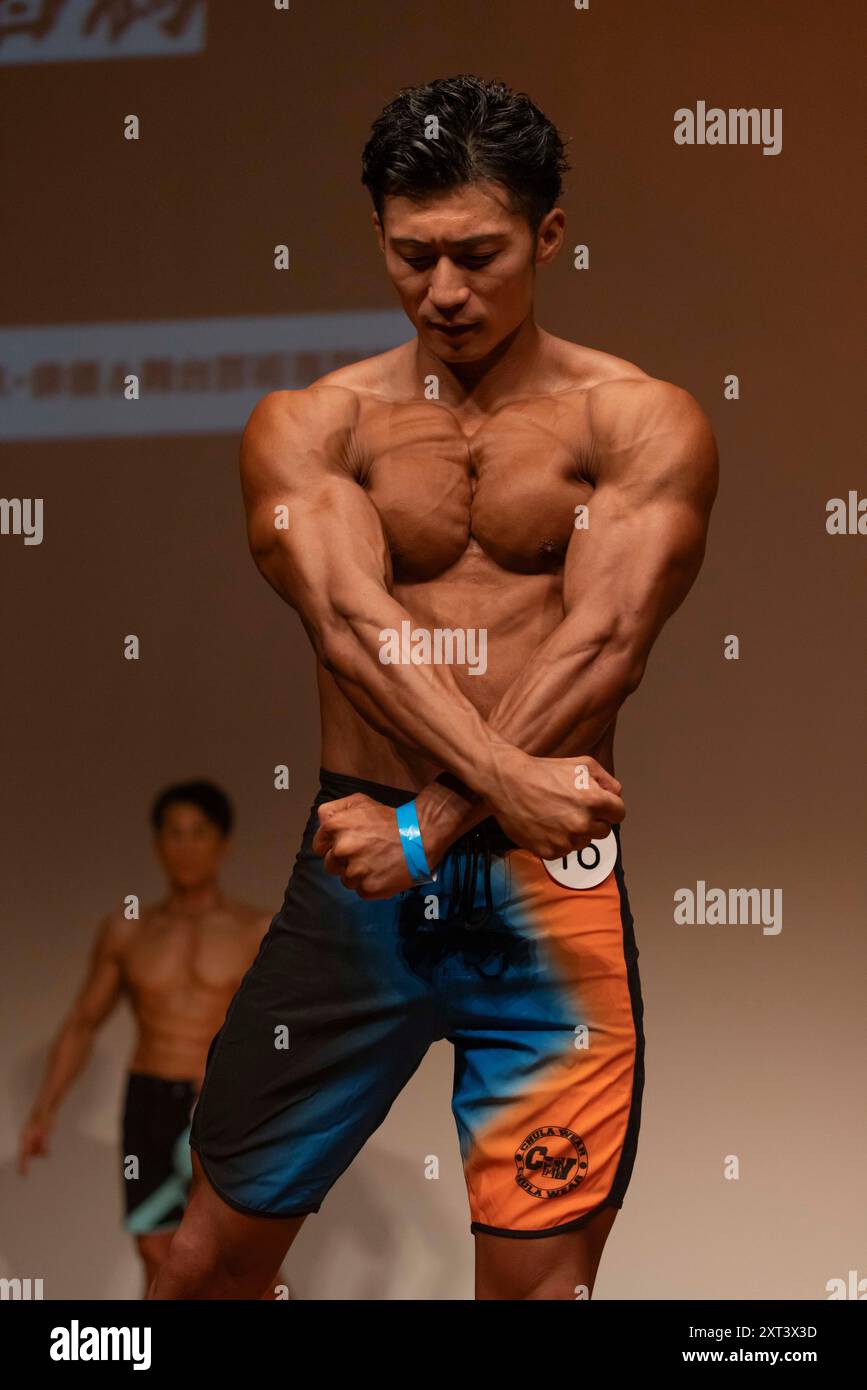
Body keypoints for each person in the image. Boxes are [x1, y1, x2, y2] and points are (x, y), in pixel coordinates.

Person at [150, 74, 718, 1301]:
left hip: (538, 894)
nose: (444, 292)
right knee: (200, 1267)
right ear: (379, 236)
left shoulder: (640, 421)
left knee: (538, 1292)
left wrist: (435, 821)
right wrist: (480, 793)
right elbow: (355, 629)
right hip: (358, 879)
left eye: (479, 255)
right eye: (414, 258)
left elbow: (606, 642)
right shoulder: (315, 424)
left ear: (550, 234)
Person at [18, 779, 271, 1295]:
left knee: (240, 1260)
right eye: (173, 834)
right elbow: (84, 1022)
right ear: (157, 843)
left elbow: (286, 1029)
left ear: (222, 843)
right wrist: (44, 1109)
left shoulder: (254, 929)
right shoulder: (128, 932)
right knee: (154, 1250)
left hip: (220, 1104)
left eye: (198, 833)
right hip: (149, 1101)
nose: (185, 846)